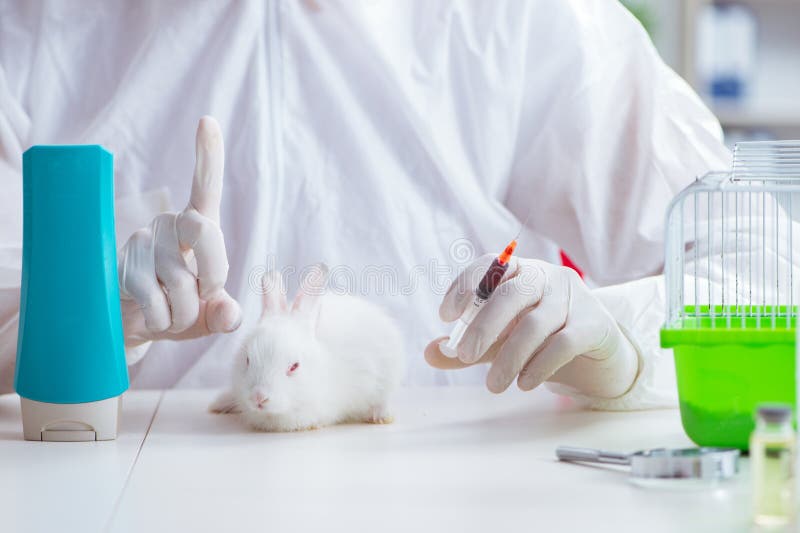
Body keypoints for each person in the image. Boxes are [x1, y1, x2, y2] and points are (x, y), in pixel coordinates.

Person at [0, 0, 729, 409]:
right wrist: (75, 323)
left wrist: (622, 345)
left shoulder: (523, 22)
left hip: (458, 505)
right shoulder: (35, 35)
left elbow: (754, 269)